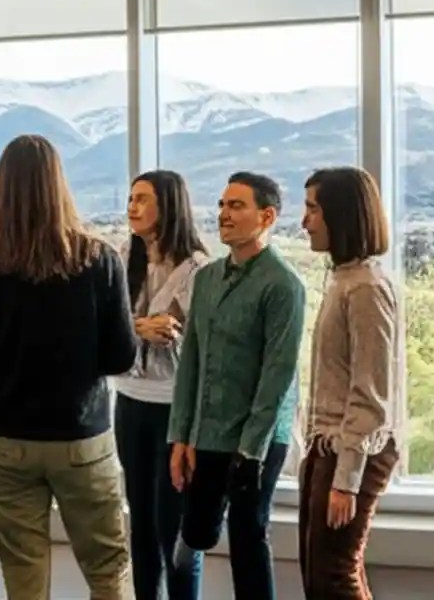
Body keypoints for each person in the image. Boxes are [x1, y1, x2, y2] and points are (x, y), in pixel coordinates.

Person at [0, 135, 137, 600]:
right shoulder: (100, 259)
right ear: (59, 184)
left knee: (23, 571)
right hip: (82, 440)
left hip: (8, 441)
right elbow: (121, 357)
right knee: (108, 568)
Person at [168, 171, 306, 600]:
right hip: (206, 432)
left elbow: (277, 377)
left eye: (237, 206)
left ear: (266, 217)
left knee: (248, 537)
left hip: (257, 440)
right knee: (194, 533)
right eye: (223, 205)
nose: (224, 214)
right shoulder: (207, 279)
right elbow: (190, 360)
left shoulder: (283, 285)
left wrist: (250, 454)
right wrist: (181, 436)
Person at [298, 167, 401, 599]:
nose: (305, 221)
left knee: (334, 577)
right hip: (330, 446)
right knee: (322, 575)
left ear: (340, 215)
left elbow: (371, 394)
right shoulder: (344, 281)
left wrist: (346, 478)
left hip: (351, 450)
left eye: (312, 208)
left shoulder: (365, 289)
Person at [115, 171, 209, 600]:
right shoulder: (122, 258)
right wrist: (139, 328)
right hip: (130, 401)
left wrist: (168, 330)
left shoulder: (199, 270)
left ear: (168, 206)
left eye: (143, 199)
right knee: (140, 522)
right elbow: (102, 326)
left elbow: (207, 348)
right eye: (131, 198)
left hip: (176, 407)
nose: (132, 206)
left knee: (174, 524)